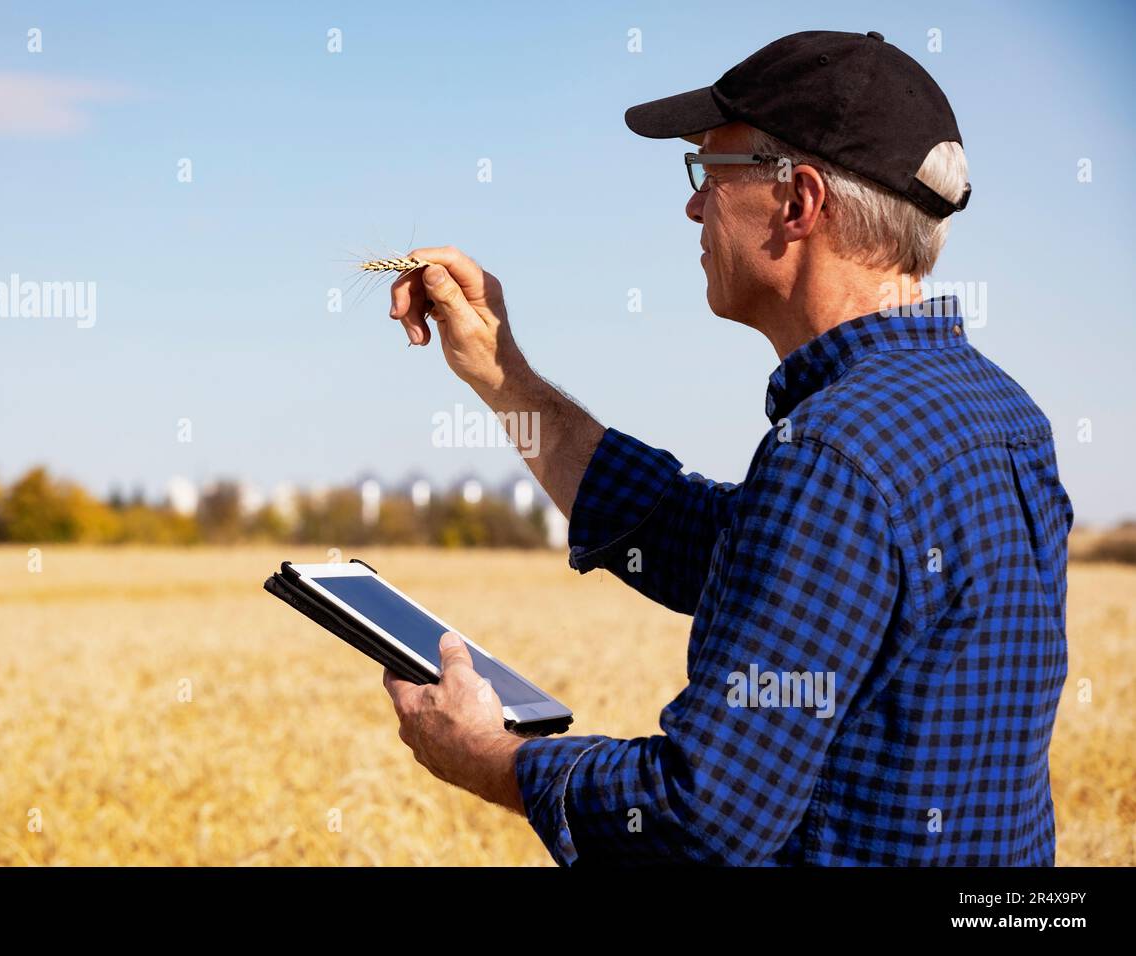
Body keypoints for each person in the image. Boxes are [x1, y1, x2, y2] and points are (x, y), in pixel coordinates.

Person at [381, 30, 1071, 865]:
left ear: (799, 201)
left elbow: (701, 815)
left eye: (710, 171)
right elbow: (711, 548)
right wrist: (504, 376)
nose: (694, 207)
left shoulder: (834, 456)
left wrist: (495, 758)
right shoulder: (1000, 414)